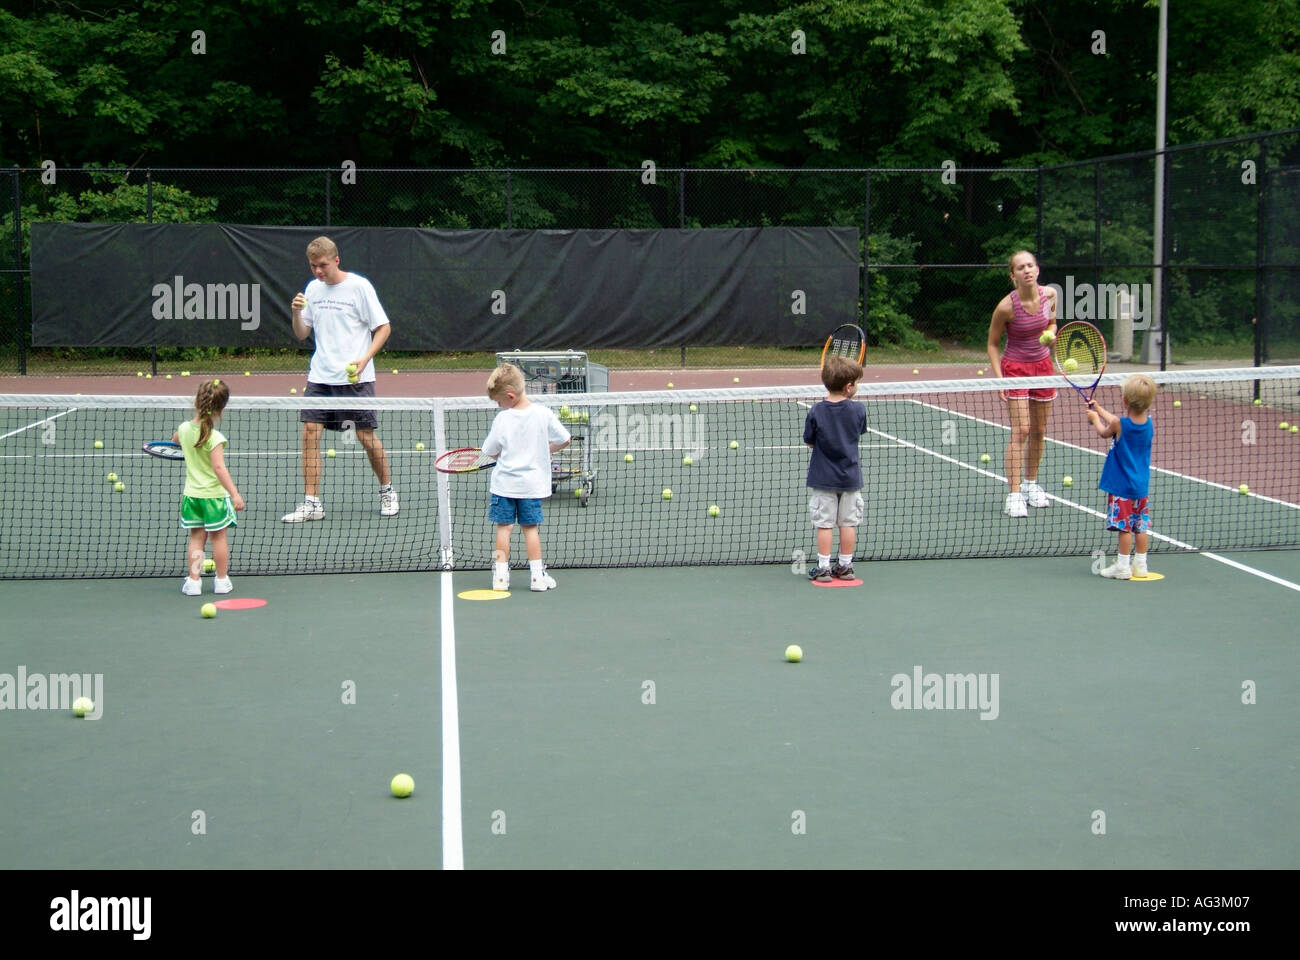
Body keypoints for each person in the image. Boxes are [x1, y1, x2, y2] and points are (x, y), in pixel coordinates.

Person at [282, 236, 398, 522]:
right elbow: (301, 333)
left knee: (365, 437)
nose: (318, 271)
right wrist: (296, 312)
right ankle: (312, 503)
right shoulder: (312, 289)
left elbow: (383, 327)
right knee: (310, 432)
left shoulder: (359, 287)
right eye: (313, 266)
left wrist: (365, 358)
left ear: (336, 260)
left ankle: (387, 490)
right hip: (320, 377)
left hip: (355, 379)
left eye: (322, 265)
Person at [482, 363, 571, 592]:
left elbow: (490, 450)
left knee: (504, 529)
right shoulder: (544, 414)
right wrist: (545, 450)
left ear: (510, 396)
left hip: (504, 486)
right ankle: (537, 578)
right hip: (532, 486)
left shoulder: (502, 419)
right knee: (530, 530)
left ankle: (500, 578)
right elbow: (565, 439)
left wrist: (501, 455)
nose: (499, 406)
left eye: (499, 402)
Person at [987, 250, 1058, 518]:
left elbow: (1052, 323)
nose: (1027, 270)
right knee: (1022, 430)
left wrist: (1050, 334)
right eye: (1020, 267)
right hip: (1015, 369)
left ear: (1037, 270)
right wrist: (999, 380)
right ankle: (1014, 495)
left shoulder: (1050, 295)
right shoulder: (1006, 307)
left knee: (1039, 430)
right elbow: (993, 345)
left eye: (1030, 265)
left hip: (1043, 368)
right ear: (1013, 275)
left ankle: (1031, 485)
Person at [174, 379, 245, 596]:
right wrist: (234, 494)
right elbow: (219, 468)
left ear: (196, 401)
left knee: (196, 539)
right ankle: (221, 581)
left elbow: (175, 441)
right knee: (218, 539)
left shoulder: (184, 429)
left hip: (192, 497)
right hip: (214, 498)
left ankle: (194, 582)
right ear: (221, 409)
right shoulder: (215, 438)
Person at [803, 354, 868, 583]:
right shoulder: (859, 410)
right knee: (848, 523)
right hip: (850, 478)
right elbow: (856, 433)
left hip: (823, 478)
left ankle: (823, 568)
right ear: (849, 387)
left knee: (825, 524)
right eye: (857, 383)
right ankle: (846, 565)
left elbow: (810, 441)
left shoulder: (816, 411)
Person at [1087, 374, 1157, 580]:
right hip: (1140, 487)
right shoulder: (1149, 424)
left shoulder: (1120, 425)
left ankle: (1123, 566)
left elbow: (1104, 431)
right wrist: (1099, 409)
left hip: (1121, 487)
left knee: (1124, 528)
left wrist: (1094, 419)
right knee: (1140, 526)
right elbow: (1118, 422)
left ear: (1125, 400)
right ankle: (1141, 564)